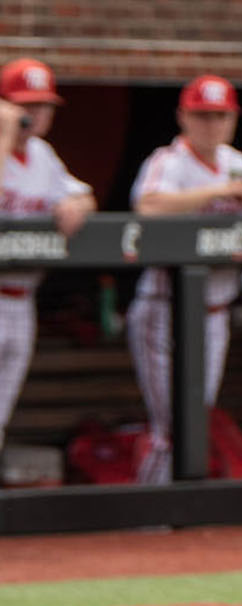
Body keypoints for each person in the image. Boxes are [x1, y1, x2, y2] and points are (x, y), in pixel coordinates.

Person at [125, 74, 242, 484]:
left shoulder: (236, 162)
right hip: (165, 309)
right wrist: (216, 193)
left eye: (220, 116)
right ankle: (149, 517)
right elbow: (148, 206)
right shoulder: (169, 160)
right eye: (202, 116)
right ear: (183, 117)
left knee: (194, 418)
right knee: (172, 425)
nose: (211, 125)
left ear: (233, 119)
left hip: (215, 312)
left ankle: (177, 513)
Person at [0, 58, 92, 459]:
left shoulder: (43, 155)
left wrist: (78, 202)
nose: (35, 114)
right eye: (25, 105)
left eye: (43, 105)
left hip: (23, 299)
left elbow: (82, 193)